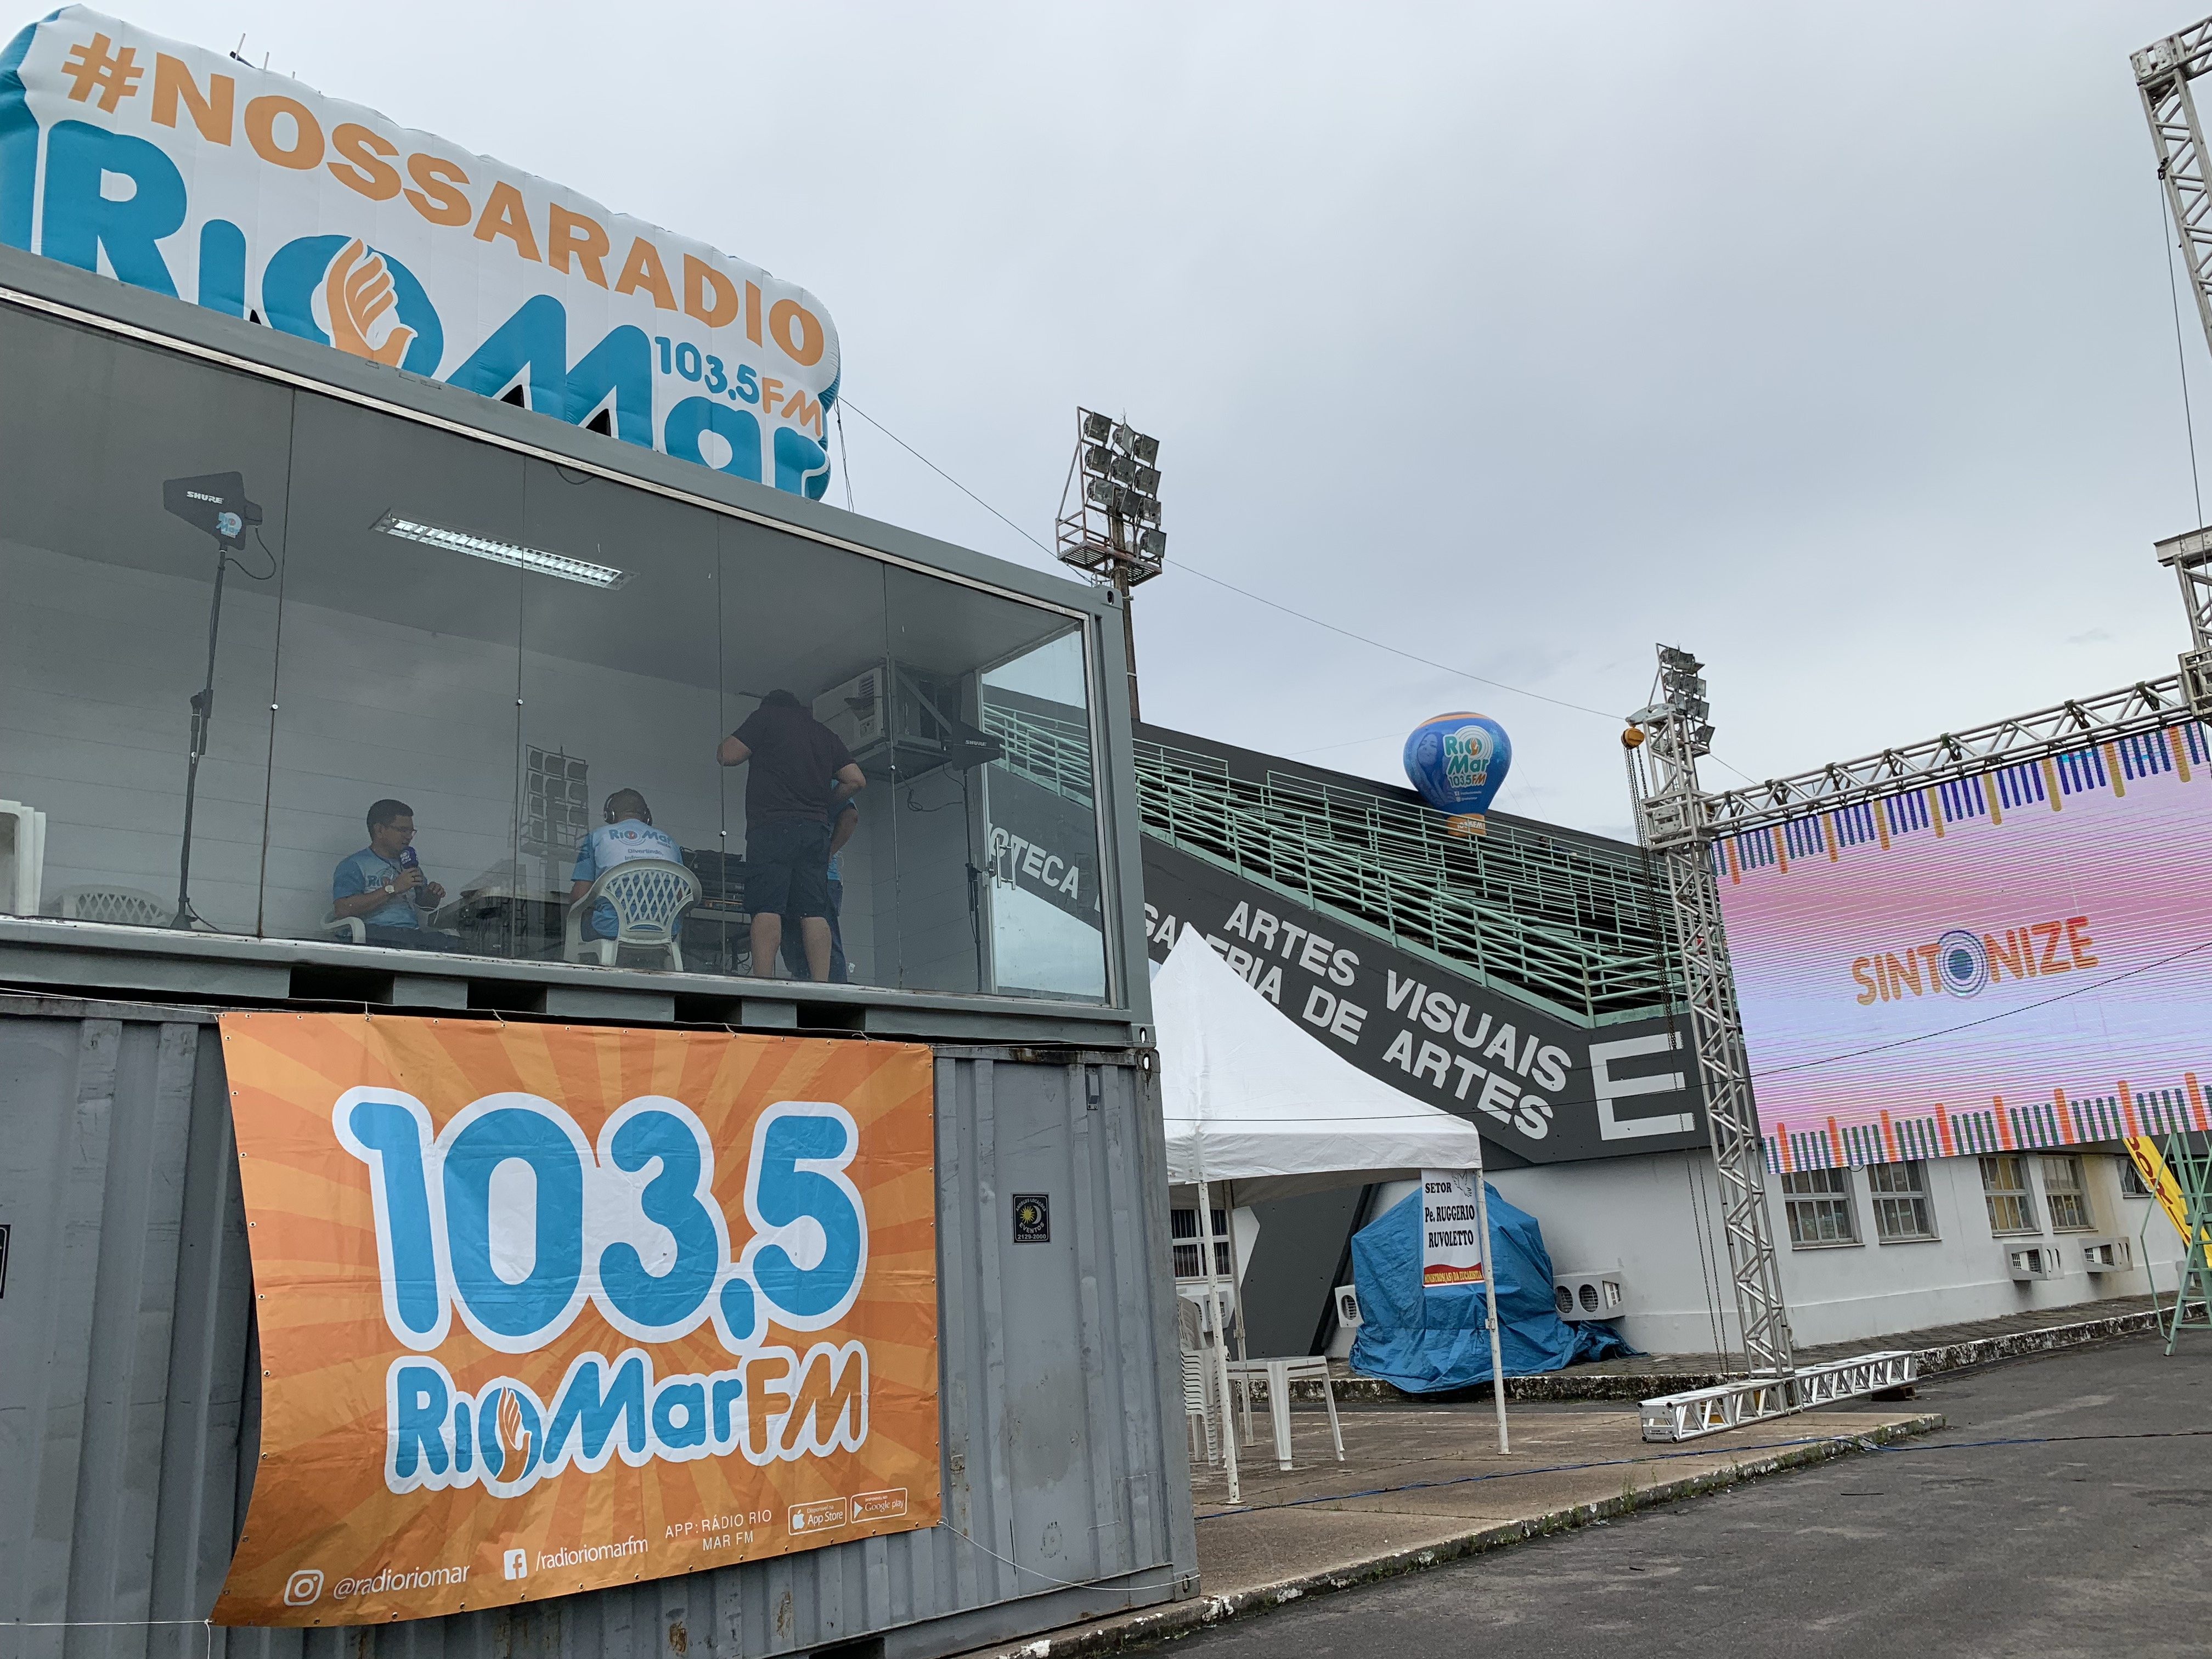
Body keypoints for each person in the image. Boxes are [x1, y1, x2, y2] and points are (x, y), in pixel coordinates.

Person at [717, 689, 864, 981]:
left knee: (767, 906)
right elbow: (856, 780)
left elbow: (728, 755)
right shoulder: (822, 733)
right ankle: (821, 986)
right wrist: (825, 801)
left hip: (772, 828)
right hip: (814, 832)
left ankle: (763, 982)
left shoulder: (766, 718)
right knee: (814, 911)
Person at [331, 798, 455, 950]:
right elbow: (343, 909)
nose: (409, 837)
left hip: (411, 935)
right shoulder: (354, 864)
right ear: (380, 830)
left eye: (411, 831)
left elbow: (424, 904)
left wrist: (433, 894)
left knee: (458, 945)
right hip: (375, 934)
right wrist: (393, 888)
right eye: (402, 830)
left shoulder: (408, 862)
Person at [567, 789, 685, 946]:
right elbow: (680, 897)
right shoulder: (669, 842)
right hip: (664, 932)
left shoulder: (597, 837)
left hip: (610, 930)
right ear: (647, 817)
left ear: (610, 815)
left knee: (579, 918)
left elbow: (579, 896)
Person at [782, 793, 857, 983]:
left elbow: (851, 815)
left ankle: (832, 996)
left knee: (825, 946)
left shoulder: (824, 775)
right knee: (801, 946)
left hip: (821, 878)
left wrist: (829, 852)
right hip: (803, 877)